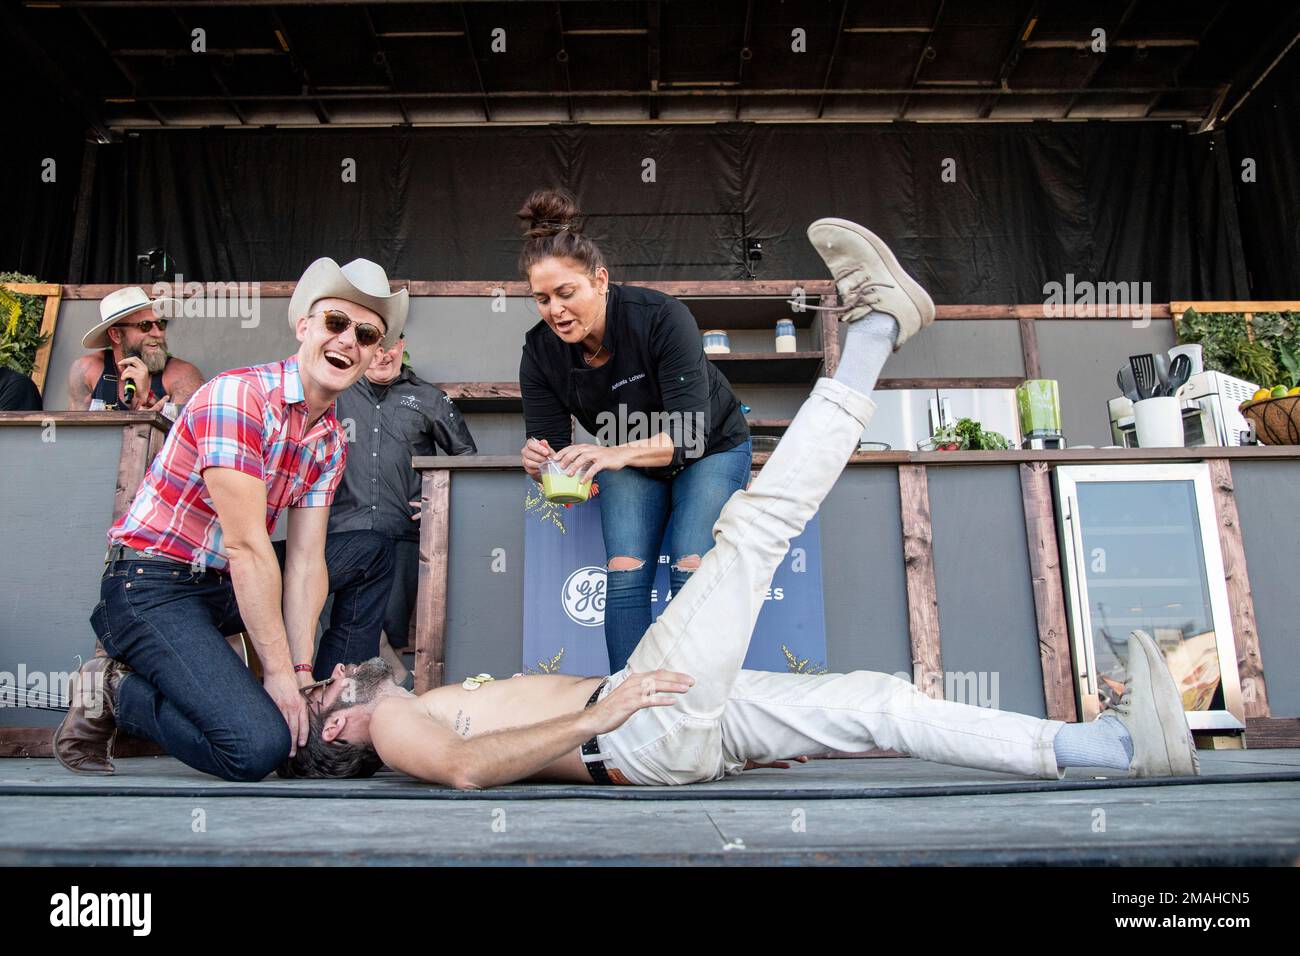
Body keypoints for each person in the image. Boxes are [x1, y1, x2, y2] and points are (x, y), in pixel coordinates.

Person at [282, 220, 1200, 787]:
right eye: (326, 691)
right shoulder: (396, 727)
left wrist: (701, 730)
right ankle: (878, 325)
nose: (335, 678)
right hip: (633, 732)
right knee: (758, 528)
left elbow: (485, 742)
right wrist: (598, 718)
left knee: (875, 704)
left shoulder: (415, 703)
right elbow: (467, 768)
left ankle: (1107, 753)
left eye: (326, 679)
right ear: (338, 728)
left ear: (599, 284)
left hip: (667, 724)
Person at [53, 257, 405, 782]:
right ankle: (112, 689)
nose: (349, 340)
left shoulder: (329, 438)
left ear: (376, 350)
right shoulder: (239, 396)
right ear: (304, 327)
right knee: (254, 749)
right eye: (336, 323)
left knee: (369, 549)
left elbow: (307, 562)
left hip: (221, 585)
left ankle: (319, 713)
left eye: (366, 333)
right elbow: (246, 548)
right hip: (150, 585)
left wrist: (302, 674)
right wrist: (277, 674)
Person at [517, 187, 752, 672]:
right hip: (625, 454)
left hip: (710, 447)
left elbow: (689, 435)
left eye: (566, 293)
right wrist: (543, 466)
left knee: (692, 566)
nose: (555, 310)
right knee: (625, 575)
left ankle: (697, 702)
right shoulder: (539, 352)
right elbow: (558, 459)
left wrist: (611, 455)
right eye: (541, 299)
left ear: (600, 280)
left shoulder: (661, 317)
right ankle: (628, 709)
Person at [330, 332, 478, 685]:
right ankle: (384, 698)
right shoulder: (335, 392)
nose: (383, 356)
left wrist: (437, 505)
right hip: (338, 533)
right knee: (340, 629)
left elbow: (469, 460)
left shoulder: (428, 397)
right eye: (375, 348)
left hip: (401, 536)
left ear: (402, 345)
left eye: (390, 346)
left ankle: (388, 709)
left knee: (390, 631)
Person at [68, 287, 204, 411]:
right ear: (115, 334)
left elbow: (188, 432)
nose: (157, 333)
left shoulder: (184, 375)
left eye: (161, 323)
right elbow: (78, 433)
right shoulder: (86, 370)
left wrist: (150, 403)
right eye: (145, 325)